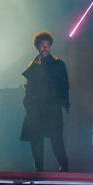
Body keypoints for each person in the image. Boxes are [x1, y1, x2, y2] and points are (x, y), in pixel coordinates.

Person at [19, 31, 69, 172]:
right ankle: (39, 170)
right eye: (42, 45)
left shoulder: (58, 64)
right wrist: (28, 103)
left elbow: (65, 85)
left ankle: (64, 167)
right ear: (37, 47)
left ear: (50, 46)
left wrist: (64, 101)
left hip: (52, 107)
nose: (45, 48)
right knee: (36, 139)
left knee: (56, 139)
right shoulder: (33, 66)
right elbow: (29, 87)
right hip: (36, 109)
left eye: (47, 45)